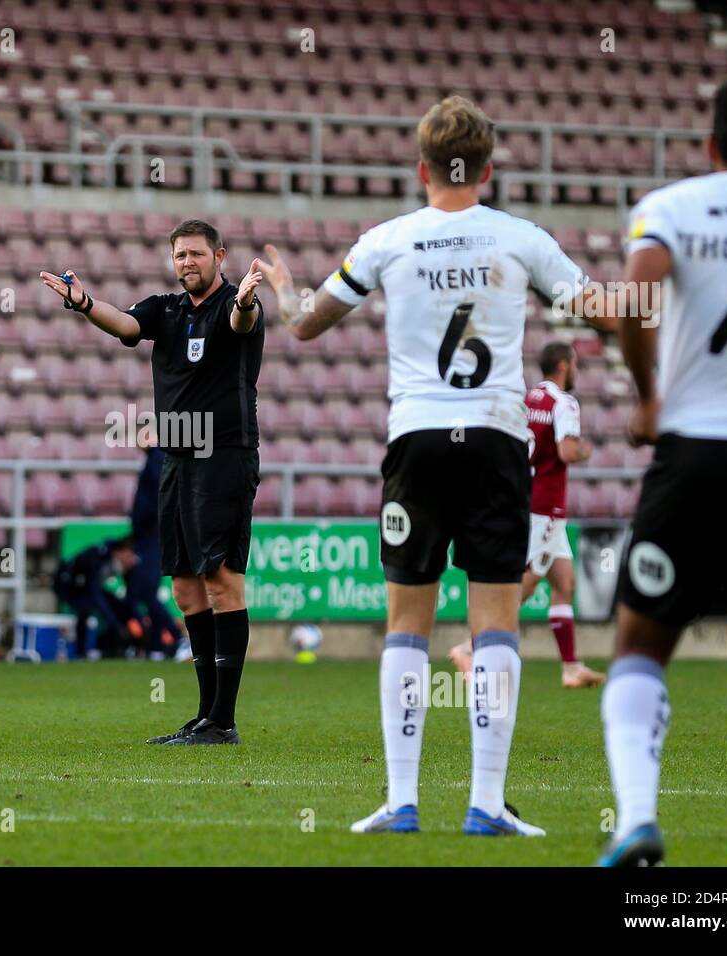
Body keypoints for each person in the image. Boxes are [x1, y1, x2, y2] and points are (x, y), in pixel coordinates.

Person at [258, 95, 607, 835]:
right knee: (497, 625)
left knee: (407, 625)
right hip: (495, 439)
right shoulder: (522, 237)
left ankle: (402, 801)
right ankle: (485, 804)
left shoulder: (387, 238)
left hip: (417, 439)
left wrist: (282, 284)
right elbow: (603, 310)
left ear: (421, 168)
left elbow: (303, 324)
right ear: (487, 170)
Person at [598, 75, 727, 868]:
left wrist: (650, 397)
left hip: (695, 452)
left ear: (712, 143)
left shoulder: (672, 207)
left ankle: (640, 821)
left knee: (641, 645)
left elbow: (637, 295)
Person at [40, 218, 265, 745]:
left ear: (219, 256)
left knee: (221, 581)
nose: (187, 262)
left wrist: (248, 300)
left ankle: (224, 719)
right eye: (179, 255)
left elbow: (241, 322)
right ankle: (207, 714)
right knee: (186, 590)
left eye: (196, 254)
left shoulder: (236, 303)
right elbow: (124, 325)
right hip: (176, 459)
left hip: (224, 456)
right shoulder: (164, 309)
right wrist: (84, 302)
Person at [448, 341, 605, 688]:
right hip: (547, 506)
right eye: (575, 363)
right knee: (530, 578)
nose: (576, 370)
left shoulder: (529, 398)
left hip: (526, 498)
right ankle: (470, 646)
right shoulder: (564, 402)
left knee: (564, 583)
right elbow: (565, 451)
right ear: (564, 365)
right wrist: (585, 450)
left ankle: (570, 667)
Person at [125, 438, 181, 658]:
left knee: (146, 592)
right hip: (149, 535)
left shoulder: (158, 457)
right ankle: (156, 645)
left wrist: (146, 525)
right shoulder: (154, 457)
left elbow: (160, 495)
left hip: (152, 535)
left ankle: (177, 637)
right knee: (144, 592)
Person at [52, 537, 142, 659]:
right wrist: (116, 625)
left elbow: (131, 597)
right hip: (69, 585)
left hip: (88, 587)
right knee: (84, 609)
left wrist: (137, 619)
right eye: (129, 554)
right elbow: (95, 594)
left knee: (120, 607)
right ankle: (82, 652)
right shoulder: (96, 557)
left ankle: (115, 648)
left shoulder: (122, 564)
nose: (131, 559)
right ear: (118, 552)